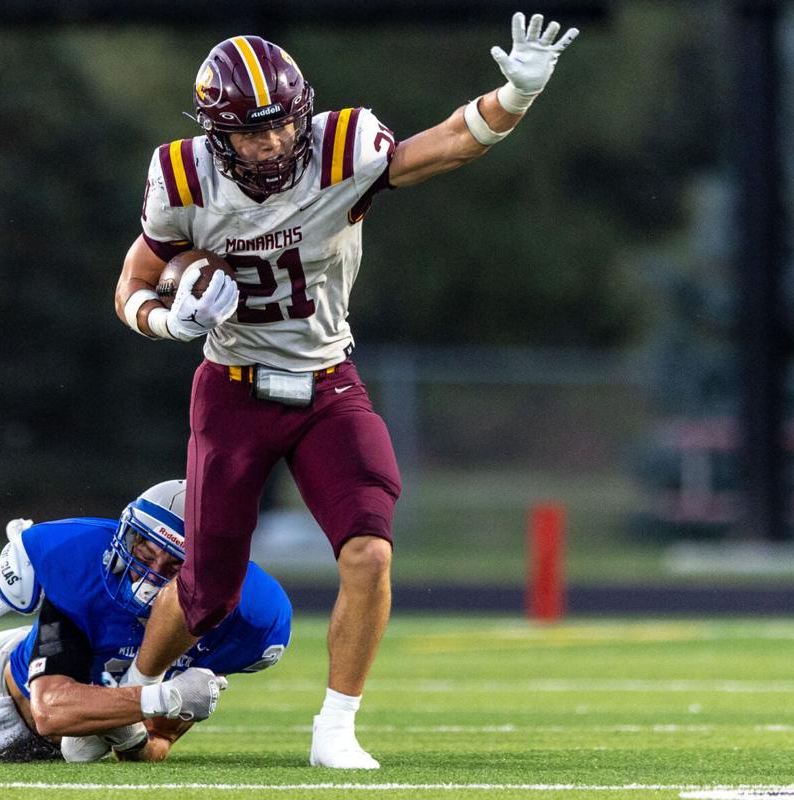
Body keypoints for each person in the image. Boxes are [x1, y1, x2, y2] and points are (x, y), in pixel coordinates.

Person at [113, 13, 579, 769]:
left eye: (280, 125)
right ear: (215, 132)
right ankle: (129, 697)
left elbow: (447, 146)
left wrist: (515, 95)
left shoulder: (342, 146)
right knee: (207, 593)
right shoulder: (180, 178)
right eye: (250, 131)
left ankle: (335, 727)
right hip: (232, 387)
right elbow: (131, 285)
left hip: (329, 380)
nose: (269, 144)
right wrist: (171, 322)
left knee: (369, 550)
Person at [0, 480, 292, 763]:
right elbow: (51, 712)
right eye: (143, 552)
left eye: (173, 566)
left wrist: (131, 738)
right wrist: (163, 695)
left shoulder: (251, 617)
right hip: (6, 681)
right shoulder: (77, 564)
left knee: (81, 747)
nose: (149, 575)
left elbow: (156, 744)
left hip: (83, 718)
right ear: (123, 534)